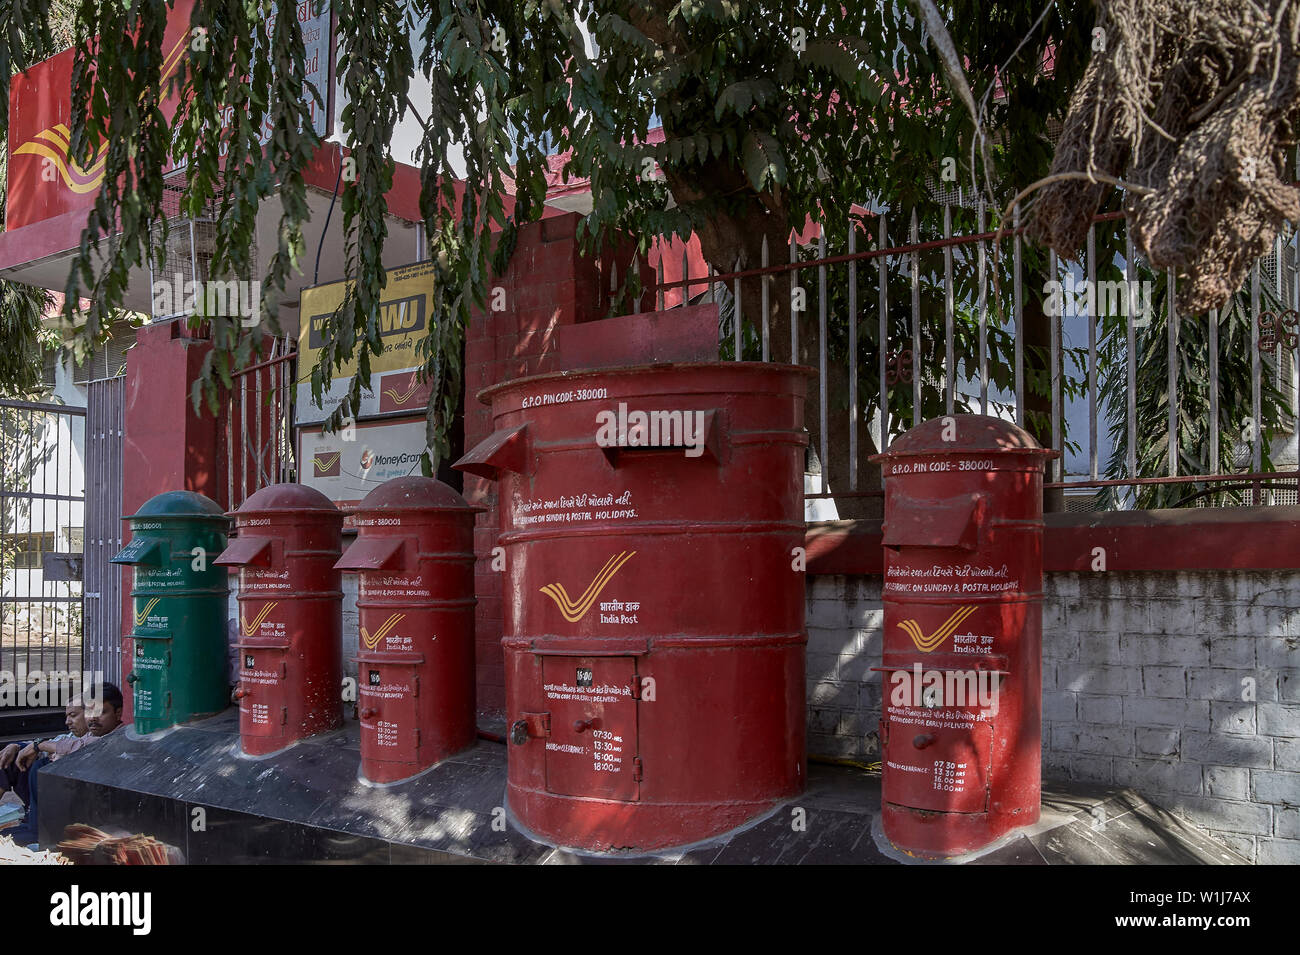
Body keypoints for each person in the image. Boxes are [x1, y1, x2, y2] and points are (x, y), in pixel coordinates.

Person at [2, 683, 123, 845]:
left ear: (118, 712)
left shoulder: (120, 736)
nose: (92, 717)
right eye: (89, 711)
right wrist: (20, 746)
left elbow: (77, 747)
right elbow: (60, 745)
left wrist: (41, 746)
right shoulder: (88, 735)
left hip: (80, 820)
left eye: (100, 711)